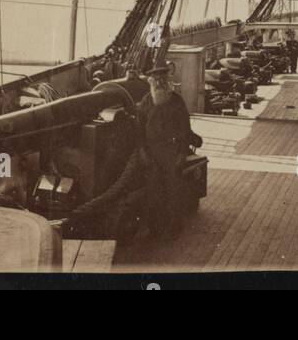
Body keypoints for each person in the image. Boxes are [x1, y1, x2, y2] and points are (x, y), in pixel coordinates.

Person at [61, 65, 202, 240]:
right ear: (151, 82)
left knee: (172, 188)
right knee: (153, 190)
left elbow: (184, 129)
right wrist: (142, 150)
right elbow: (139, 129)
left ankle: (173, 227)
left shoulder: (177, 101)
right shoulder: (146, 101)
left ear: (167, 81)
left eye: (162, 79)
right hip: (151, 150)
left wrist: (181, 153)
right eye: (156, 80)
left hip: (170, 151)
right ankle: (155, 228)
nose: (159, 83)